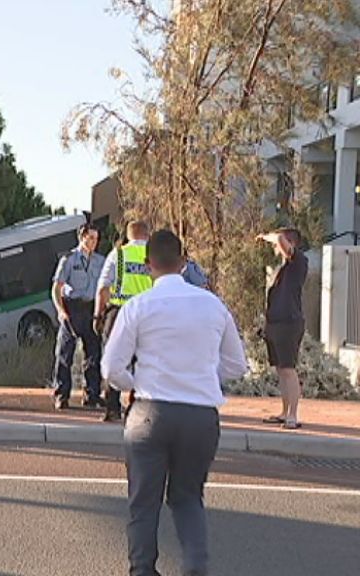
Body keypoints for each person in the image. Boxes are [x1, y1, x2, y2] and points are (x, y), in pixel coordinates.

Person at [101, 230, 248, 576]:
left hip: (150, 412)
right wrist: (202, 375)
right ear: (183, 263)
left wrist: (133, 384)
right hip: (200, 416)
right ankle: (195, 565)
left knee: (143, 502)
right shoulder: (213, 305)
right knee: (187, 498)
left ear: (148, 264)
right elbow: (237, 365)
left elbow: (111, 367)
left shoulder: (139, 306)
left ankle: (142, 570)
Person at [95, 220, 152, 422]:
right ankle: (136, 407)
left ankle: (112, 408)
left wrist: (98, 314)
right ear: (147, 235)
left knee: (114, 359)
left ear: (128, 236)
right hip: (147, 313)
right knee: (144, 362)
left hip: (119, 312)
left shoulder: (117, 254)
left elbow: (103, 288)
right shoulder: (153, 256)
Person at [50, 223, 105, 409]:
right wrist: (61, 310)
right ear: (82, 238)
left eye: (96, 239)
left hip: (91, 308)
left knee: (93, 353)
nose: (93, 242)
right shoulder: (69, 260)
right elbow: (56, 288)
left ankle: (92, 394)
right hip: (72, 307)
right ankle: (61, 394)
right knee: (65, 353)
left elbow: (106, 286)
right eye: (90, 238)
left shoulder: (100, 261)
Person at [258, 228, 308, 430]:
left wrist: (267, 236)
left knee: (288, 369)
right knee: (280, 369)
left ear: (291, 243)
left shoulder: (299, 262)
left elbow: (279, 238)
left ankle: (293, 415)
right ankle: (284, 411)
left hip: (289, 323)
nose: (275, 248)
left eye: (278, 245)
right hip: (276, 323)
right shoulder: (285, 268)